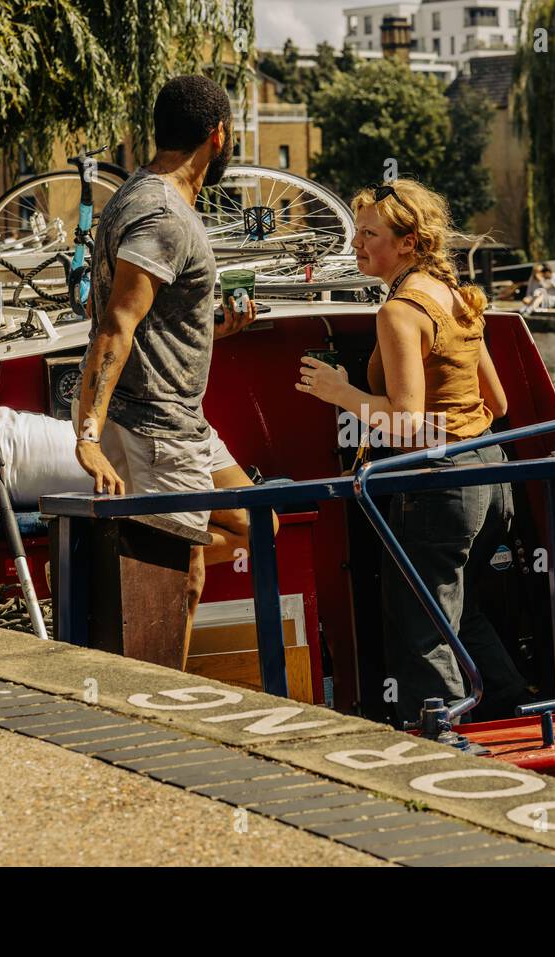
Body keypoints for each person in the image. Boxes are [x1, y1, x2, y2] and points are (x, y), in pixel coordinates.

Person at [296, 179, 529, 728]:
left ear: (407, 243)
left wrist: (341, 392)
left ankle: (445, 739)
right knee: (457, 610)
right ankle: (512, 706)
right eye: (357, 231)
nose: (356, 243)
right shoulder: (460, 299)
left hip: (438, 488)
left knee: (421, 624)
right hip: (492, 480)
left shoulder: (400, 311)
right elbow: (495, 402)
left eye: (369, 233)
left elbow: (407, 426)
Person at [73, 74, 276, 667]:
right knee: (179, 586)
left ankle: (140, 548)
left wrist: (213, 328)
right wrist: (86, 434)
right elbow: (116, 324)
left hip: (185, 421)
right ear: (218, 136)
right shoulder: (163, 214)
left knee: (255, 526)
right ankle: (163, 711)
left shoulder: (144, 195)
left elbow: (151, 317)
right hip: (157, 427)